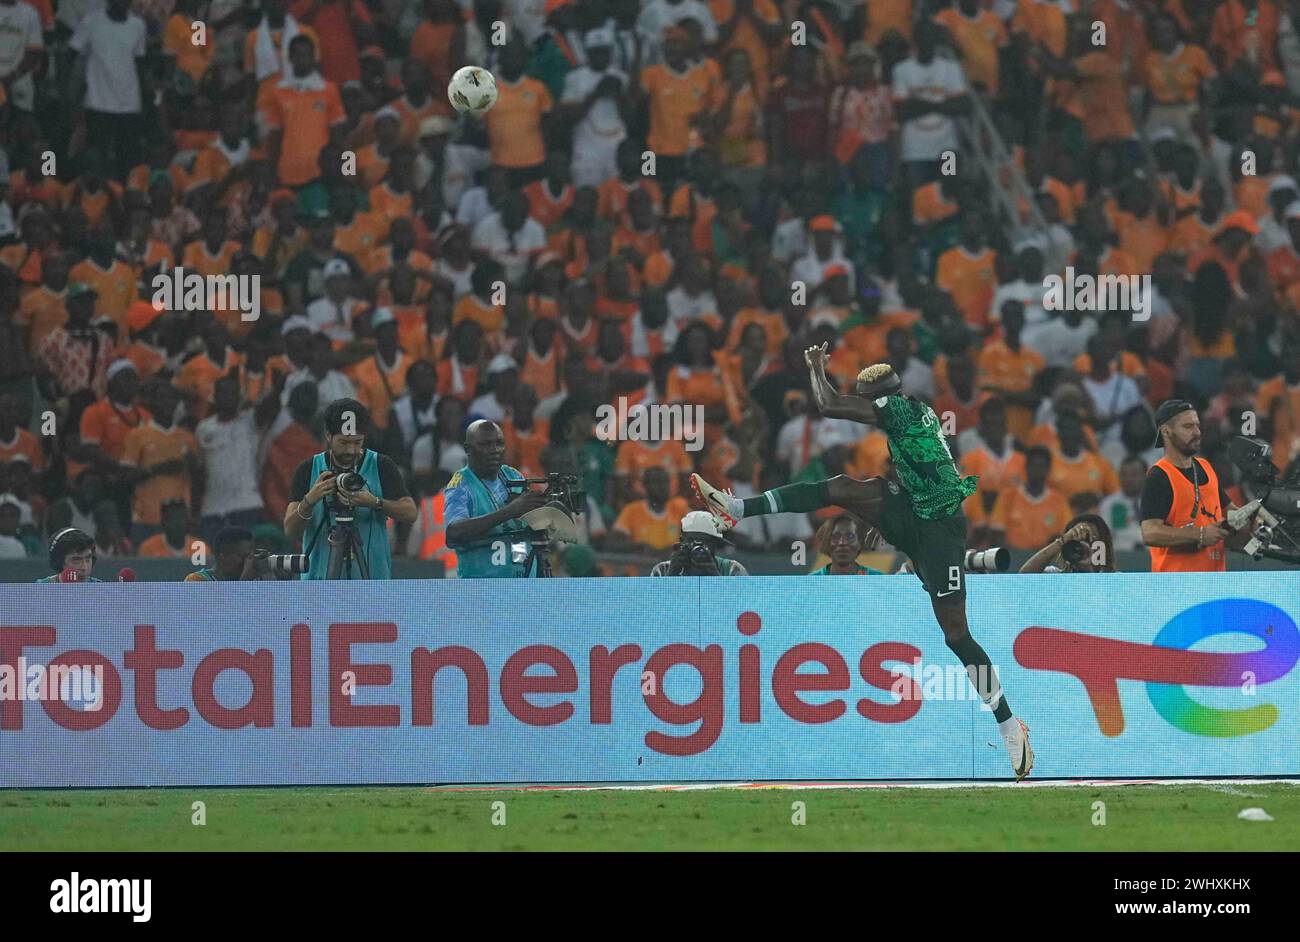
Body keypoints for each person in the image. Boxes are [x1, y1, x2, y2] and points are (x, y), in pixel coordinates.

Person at [692, 346, 1034, 780]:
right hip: (916, 511)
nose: (867, 406)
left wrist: (816, 367)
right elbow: (918, 470)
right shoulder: (917, 412)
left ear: (880, 397)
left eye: (867, 397)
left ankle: (1008, 723)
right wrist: (884, 516)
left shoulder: (894, 408)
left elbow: (828, 404)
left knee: (956, 634)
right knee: (842, 488)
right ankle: (737, 510)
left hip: (940, 530)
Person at [284, 398, 417, 579]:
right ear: (328, 435)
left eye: (357, 442)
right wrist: (310, 499)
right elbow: (290, 531)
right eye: (344, 443)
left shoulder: (380, 465)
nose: (351, 451)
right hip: (319, 585)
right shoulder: (309, 469)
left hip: (371, 582)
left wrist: (375, 502)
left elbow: (410, 512)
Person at [1140, 398, 1247, 572]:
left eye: (1197, 425)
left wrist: (1249, 516)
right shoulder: (1159, 476)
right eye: (1188, 427)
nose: (1197, 432)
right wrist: (1200, 535)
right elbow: (1150, 532)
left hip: (1215, 582)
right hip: (1178, 588)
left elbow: (1229, 510)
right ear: (1166, 432)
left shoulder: (1205, 466)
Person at [443, 418, 546, 578]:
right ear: (468, 449)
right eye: (485, 445)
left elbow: (521, 531)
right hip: (482, 590)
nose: (494, 450)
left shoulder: (512, 475)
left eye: (499, 443)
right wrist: (509, 511)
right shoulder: (461, 484)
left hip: (523, 587)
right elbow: (454, 533)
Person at [649, 509, 748, 575]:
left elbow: (744, 604)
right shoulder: (662, 570)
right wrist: (672, 574)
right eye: (691, 541)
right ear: (681, 541)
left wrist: (715, 576)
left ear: (715, 544)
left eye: (705, 542)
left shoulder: (732, 570)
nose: (698, 547)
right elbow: (651, 604)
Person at [1019, 513, 1118, 573]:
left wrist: (1089, 571)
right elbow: (1025, 577)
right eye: (1076, 542)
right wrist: (1062, 541)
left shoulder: (1116, 581)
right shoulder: (1056, 576)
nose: (1082, 546)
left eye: (1089, 540)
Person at [810, 512, 887, 575]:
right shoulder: (811, 582)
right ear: (827, 542)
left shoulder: (877, 579)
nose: (842, 543)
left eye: (850, 537)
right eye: (836, 537)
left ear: (860, 543)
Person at [184, 526, 260, 581]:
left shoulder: (254, 579)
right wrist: (245, 582)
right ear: (222, 557)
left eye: (250, 556)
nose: (248, 562)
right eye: (243, 556)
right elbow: (223, 603)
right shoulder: (196, 580)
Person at [36, 527, 104, 582]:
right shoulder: (41, 588)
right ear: (59, 562)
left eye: (88, 558)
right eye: (76, 560)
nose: (84, 567)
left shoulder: (100, 589)